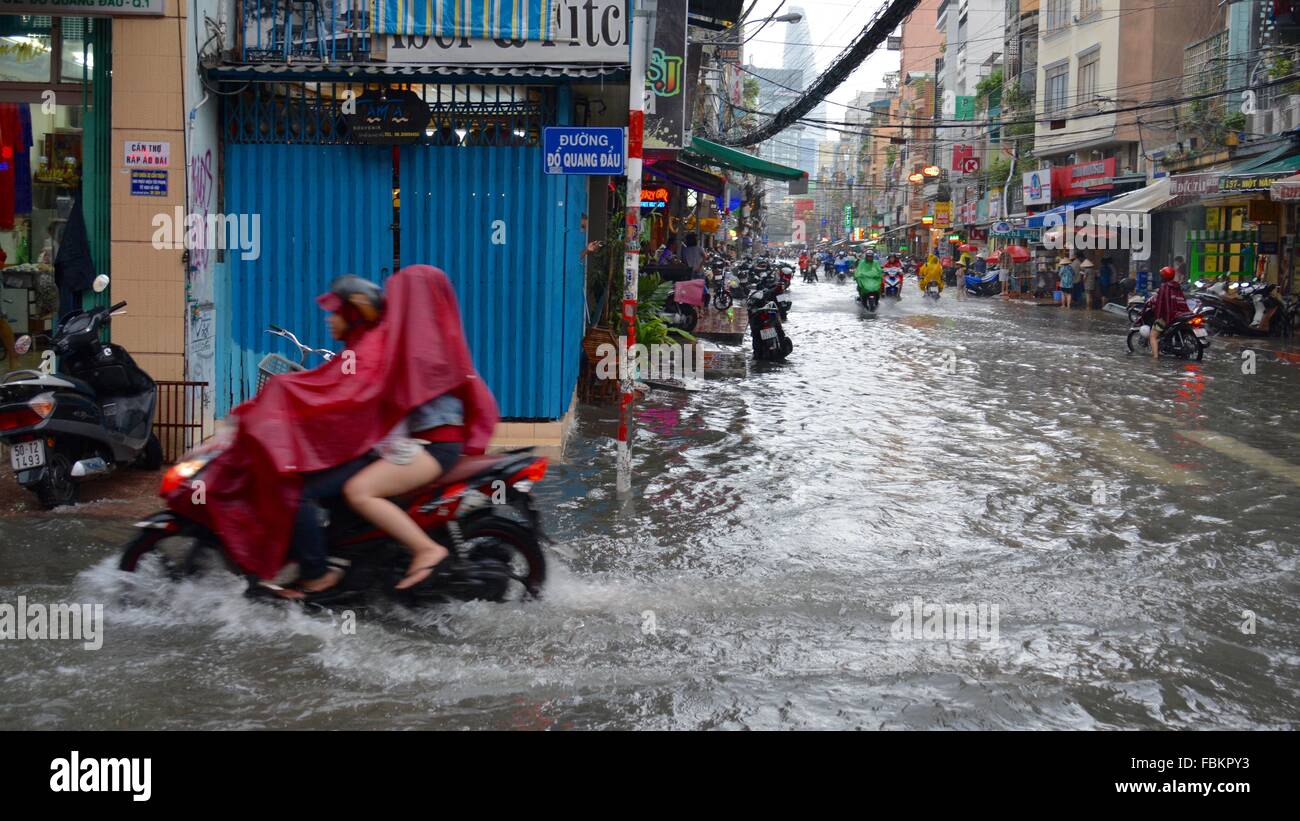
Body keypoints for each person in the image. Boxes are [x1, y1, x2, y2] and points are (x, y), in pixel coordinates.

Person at [1149, 265, 1190, 360]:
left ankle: (1155, 358)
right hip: (1180, 315)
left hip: (1168, 316)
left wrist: (1158, 316)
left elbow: (1160, 303)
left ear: (1163, 277)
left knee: (1153, 336)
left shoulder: (1164, 286)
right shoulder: (1177, 286)